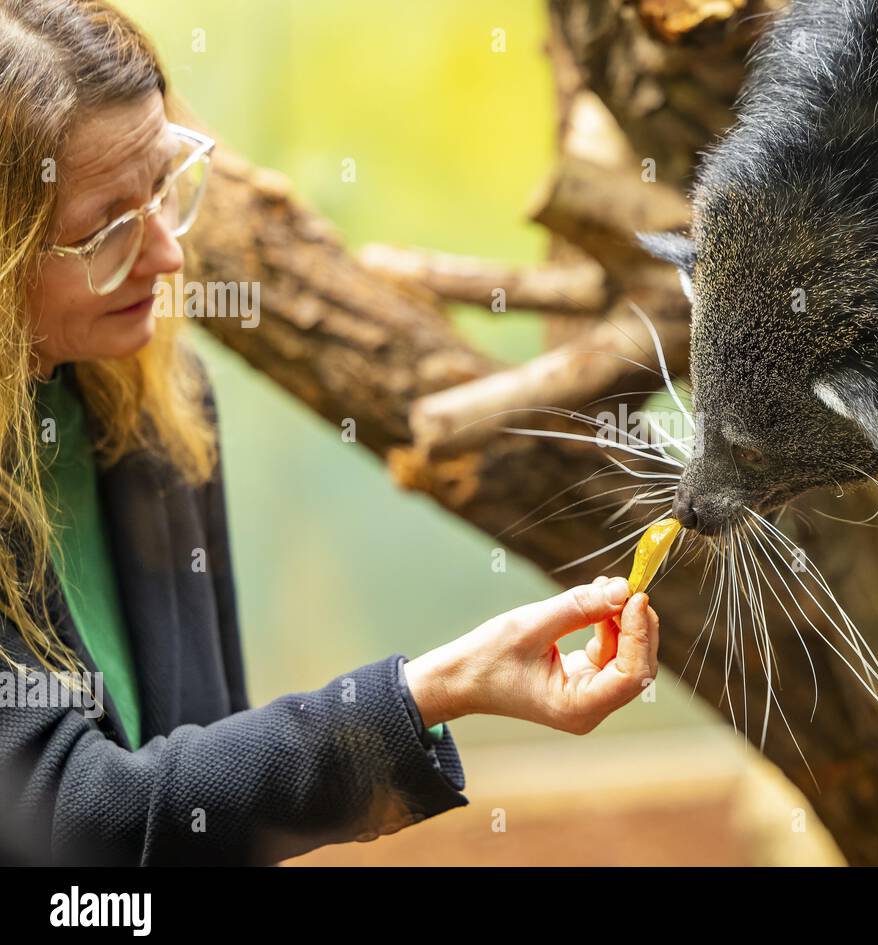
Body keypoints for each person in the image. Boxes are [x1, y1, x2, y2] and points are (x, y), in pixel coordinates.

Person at [0, 0, 660, 865]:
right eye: (108, 230)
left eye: (164, 189)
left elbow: (204, 770)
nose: (166, 254)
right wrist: (429, 693)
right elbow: (78, 820)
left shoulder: (161, 398)